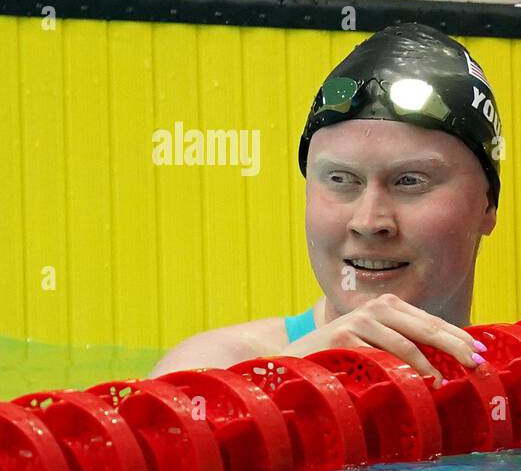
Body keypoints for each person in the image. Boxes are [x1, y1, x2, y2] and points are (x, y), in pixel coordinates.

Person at [149, 23, 500, 380]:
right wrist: (286, 380)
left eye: (409, 181)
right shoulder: (209, 370)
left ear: (487, 204)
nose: (368, 221)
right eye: (341, 180)